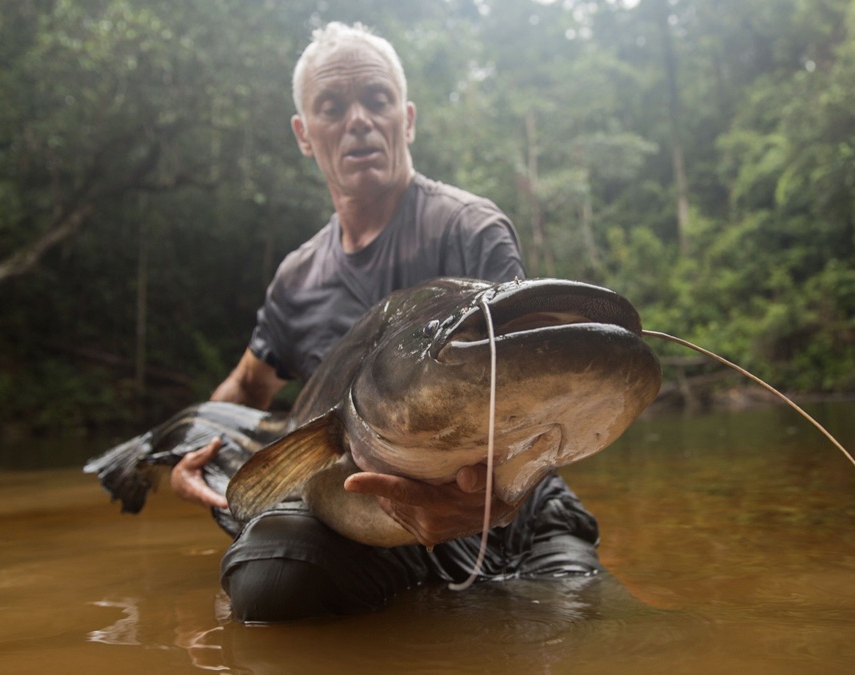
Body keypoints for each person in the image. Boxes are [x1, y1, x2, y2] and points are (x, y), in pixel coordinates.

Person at [170, 22, 601, 622]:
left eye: (377, 99)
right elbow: (246, 388)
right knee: (268, 585)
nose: (358, 121)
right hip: (371, 513)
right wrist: (194, 452)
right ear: (303, 133)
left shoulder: (470, 230)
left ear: (408, 118)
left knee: (593, 628)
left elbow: (527, 402)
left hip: (507, 513)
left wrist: (496, 504)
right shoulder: (297, 278)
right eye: (332, 106)